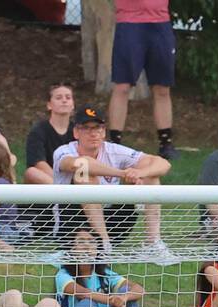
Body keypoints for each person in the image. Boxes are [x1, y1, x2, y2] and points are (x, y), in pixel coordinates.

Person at [52, 103, 171, 255]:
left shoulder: (113, 150)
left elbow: (163, 163)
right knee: (85, 174)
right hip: (72, 224)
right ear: (76, 132)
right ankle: (103, 244)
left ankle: (153, 243)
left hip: (112, 221)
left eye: (97, 128)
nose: (93, 133)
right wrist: (122, 173)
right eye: (86, 128)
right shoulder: (64, 151)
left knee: (151, 176)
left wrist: (140, 173)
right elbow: (83, 163)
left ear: (103, 132)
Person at [107, 0, 177, 159]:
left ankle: (166, 144)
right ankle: (114, 143)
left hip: (160, 23)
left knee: (162, 88)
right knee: (122, 87)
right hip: (129, 23)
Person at [24, 83, 75, 185]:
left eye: (68, 97)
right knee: (31, 173)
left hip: (74, 180)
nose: (64, 100)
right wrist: (60, 182)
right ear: (49, 105)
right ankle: (66, 195)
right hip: (48, 182)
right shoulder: (38, 131)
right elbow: (38, 163)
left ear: (73, 105)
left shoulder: (79, 130)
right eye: (58, 98)